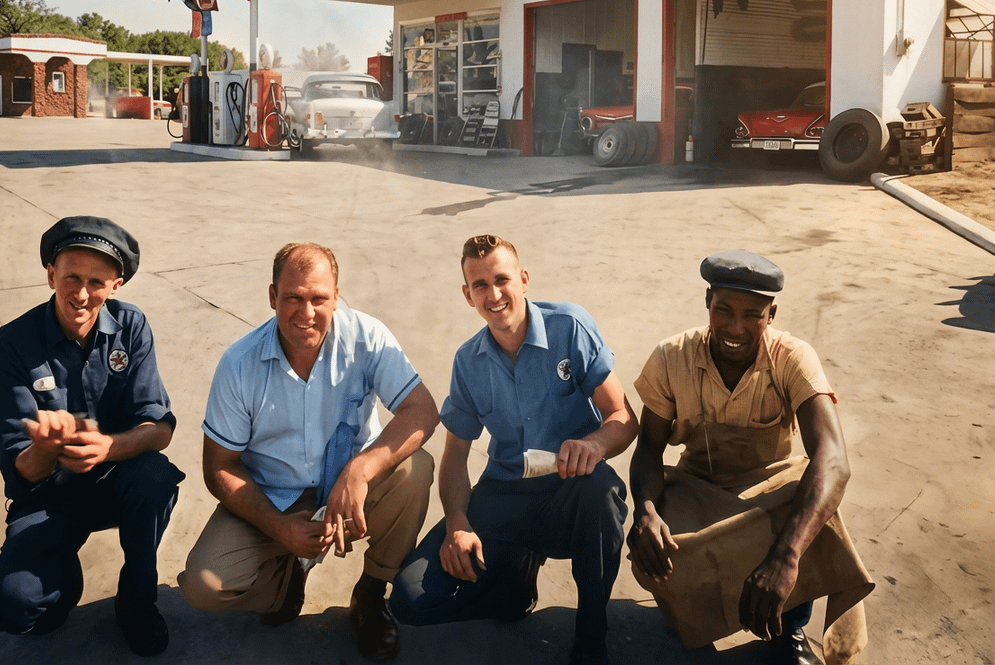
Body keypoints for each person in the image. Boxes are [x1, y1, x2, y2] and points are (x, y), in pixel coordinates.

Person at [178, 242, 438, 661]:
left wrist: (359, 471)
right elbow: (219, 467)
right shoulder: (239, 364)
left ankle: (371, 595)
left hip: (351, 489)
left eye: (318, 298)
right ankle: (285, 584)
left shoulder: (366, 337)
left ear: (336, 296)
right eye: (293, 298)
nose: (307, 312)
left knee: (415, 469)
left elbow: (422, 410)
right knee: (204, 587)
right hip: (273, 496)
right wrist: (278, 527)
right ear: (272, 297)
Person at [390, 234, 638, 665]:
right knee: (410, 598)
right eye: (480, 285)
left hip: (572, 490)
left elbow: (623, 416)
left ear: (523, 279)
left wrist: (594, 443)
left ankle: (591, 633)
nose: (494, 295)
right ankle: (514, 585)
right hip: (506, 495)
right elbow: (455, 456)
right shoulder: (468, 361)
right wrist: (458, 522)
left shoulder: (570, 327)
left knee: (602, 494)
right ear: (467, 295)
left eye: (502, 279)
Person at [628, 251, 874, 665]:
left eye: (752, 315)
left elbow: (833, 459)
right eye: (723, 310)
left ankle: (788, 629)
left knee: (815, 509)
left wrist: (786, 557)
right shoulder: (671, 356)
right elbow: (650, 448)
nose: (735, 328)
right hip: (697, 484)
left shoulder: (793, 357)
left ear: (771, 315)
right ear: (708, 301)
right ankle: (692, 615)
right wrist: (645, 511)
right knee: (662, 541)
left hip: (768, 487)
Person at [0, 216, 183, 657]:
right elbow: (20, 468)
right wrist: (45, 448)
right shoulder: (15, 341)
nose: (80, 294)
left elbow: (160, 427)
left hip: (116, 481)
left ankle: (136, 601)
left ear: (115, 286)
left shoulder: (131, 326)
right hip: (49, 494)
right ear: (50, 273)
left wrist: (110, 447)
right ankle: (61, 573)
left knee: (155, 478)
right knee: (16, 611)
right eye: (71, 277)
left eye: (96, 282)